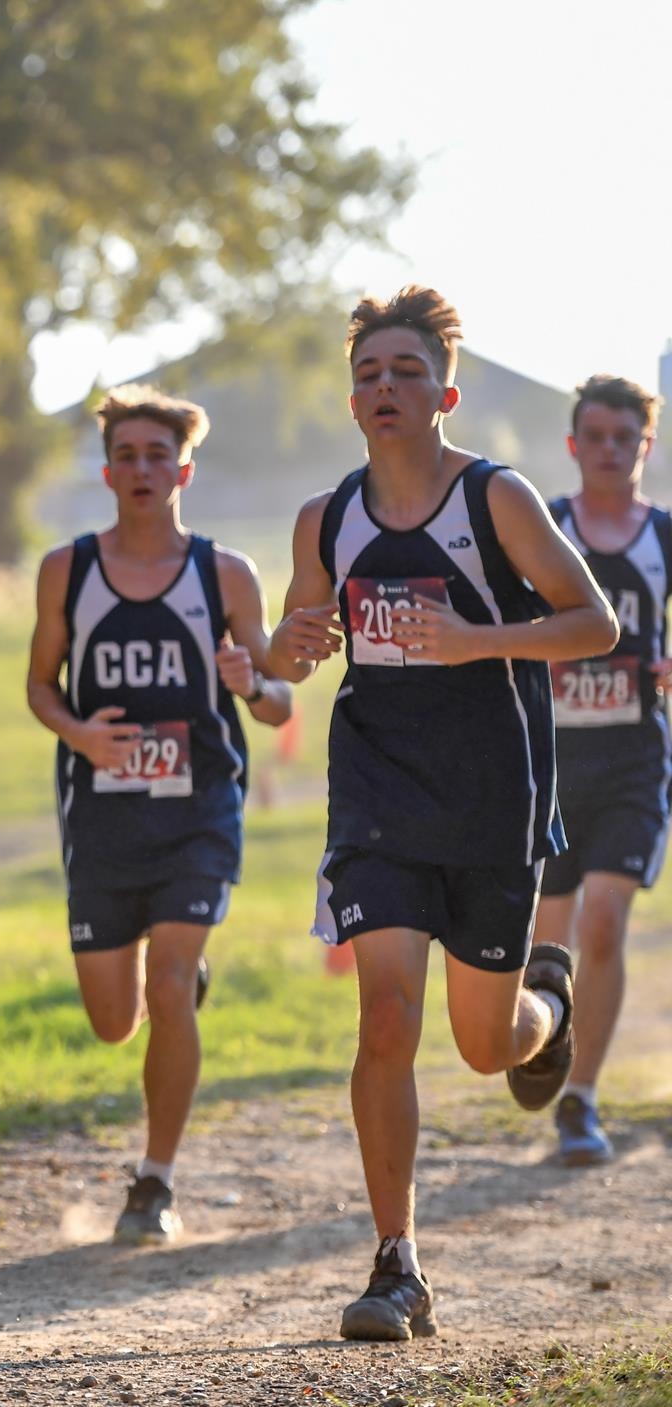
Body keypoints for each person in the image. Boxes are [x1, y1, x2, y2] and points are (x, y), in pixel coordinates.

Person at [268, 287, 617, 1341]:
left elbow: (590, 626)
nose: (383, 386)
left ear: (443, 392)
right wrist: (290, 651)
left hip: (490, 799)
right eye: (367, 372)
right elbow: (295, 640)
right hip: (374, 790)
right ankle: (395, 1264)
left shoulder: (495, 501)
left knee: (483, 1045)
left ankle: (542, 1002)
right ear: (351, 398)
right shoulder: (324, 518)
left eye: (404, 371)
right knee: (384, 1016)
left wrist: (472, 639)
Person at [27, 384, 295, 1245]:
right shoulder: (67, 570)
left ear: (184, 468)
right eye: (128, 455)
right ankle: (172, 985)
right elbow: (39, 683)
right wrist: (78, 732)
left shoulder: (225, 574)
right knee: (115, 1019)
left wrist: (249, 680)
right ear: (108, 471)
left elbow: (281, 704)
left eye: (158, 455)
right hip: (102, 816)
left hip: (199, 809)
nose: (143, 469)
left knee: (169, 982)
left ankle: (155, 1181)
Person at [532, 375, 667, 1166]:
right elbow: (501, 616)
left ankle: (580, 1099)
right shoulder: (546, 526)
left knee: (606, 919)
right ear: (574, 445)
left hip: (633, 760)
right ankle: (543, 1046)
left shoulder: (664, 537)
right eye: (597, 436)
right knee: (550, 933)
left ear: (646, 446)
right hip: (549, 762)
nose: (611, 450)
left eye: (627, 438)